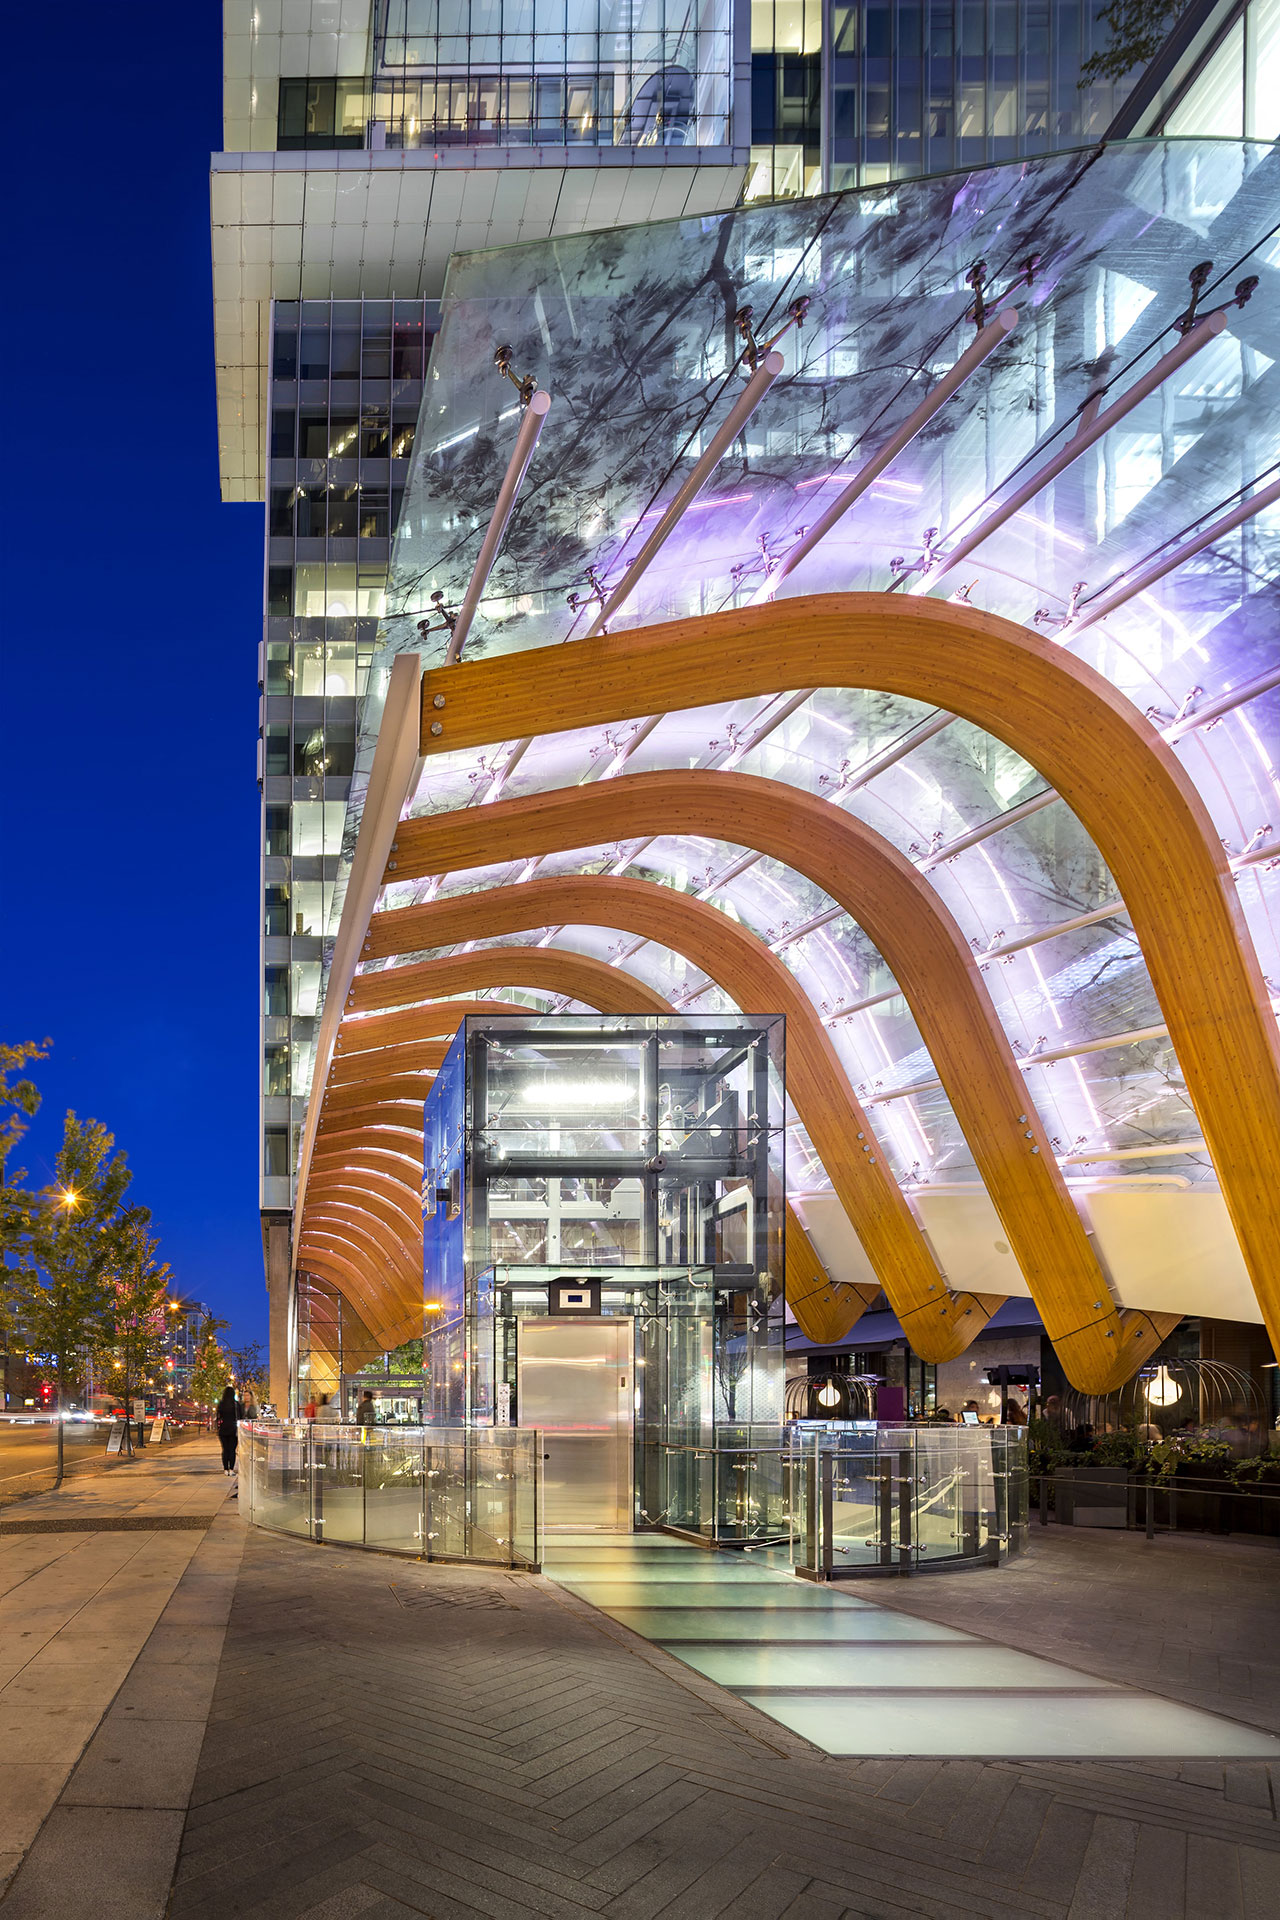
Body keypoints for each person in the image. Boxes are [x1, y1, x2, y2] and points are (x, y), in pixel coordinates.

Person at [215, 1385, 244, 1478]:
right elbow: (241, 1417)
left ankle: (225, 1469)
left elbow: (218, 1417)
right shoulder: (236, 1405)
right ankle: (231, 1469)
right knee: (232, 1450)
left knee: (225, 1449)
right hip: (233, 1430)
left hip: (223, 1430)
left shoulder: (221, 1404)